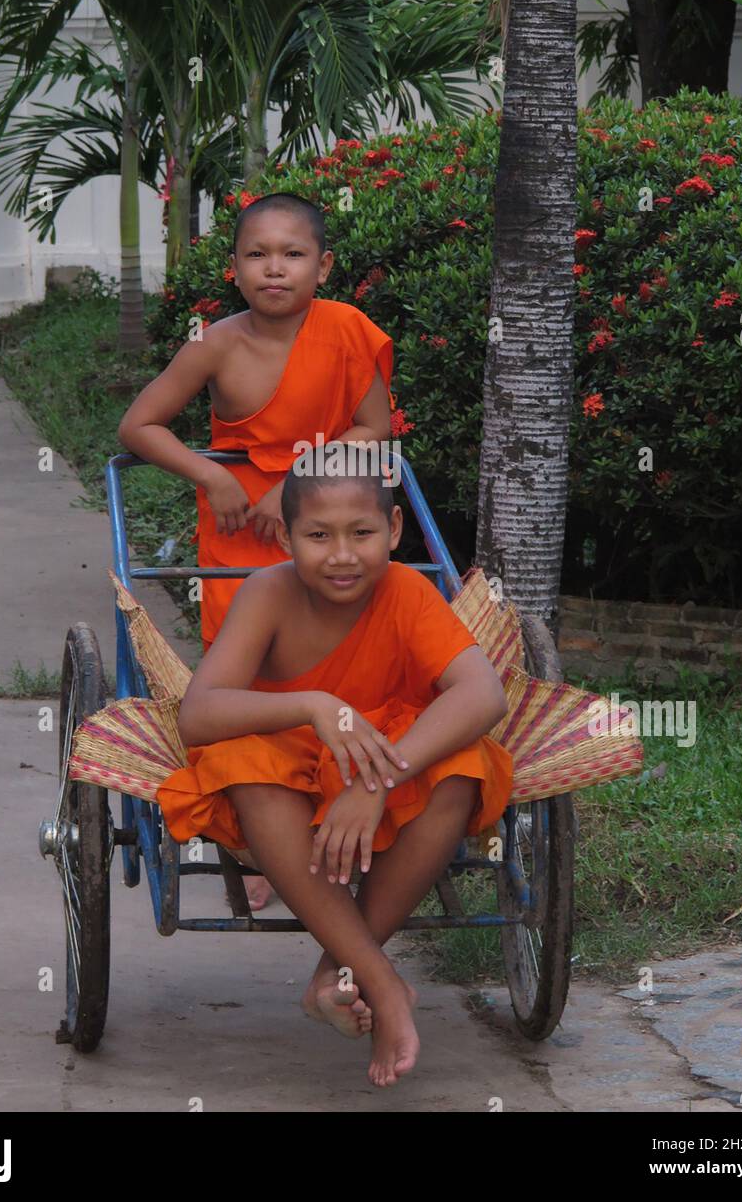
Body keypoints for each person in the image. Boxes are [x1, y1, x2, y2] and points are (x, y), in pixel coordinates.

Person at [155, 449, 513, 1087]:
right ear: (287, 538)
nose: (342, 555)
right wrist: (316, 704)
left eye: (362, 533)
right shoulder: (267, 593)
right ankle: (379, 980)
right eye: (318, 536)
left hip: (383, 760)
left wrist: (378, 781)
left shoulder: (408, 591)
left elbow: (482, 695)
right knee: (242, 763)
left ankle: (335, 973)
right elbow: (199, 714)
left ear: (395, 531)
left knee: (462, 764)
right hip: (286, 772)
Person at [118, 192, 393, 910]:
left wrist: (303, 473)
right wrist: (212, 473)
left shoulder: (350, 332)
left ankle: (347, 809)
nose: (276, 270)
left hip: (330, 516)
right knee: (249, 684)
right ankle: (263, 838)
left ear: (323, 266)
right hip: (244, 532)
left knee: (348, 662)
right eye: (258, 255)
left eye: (293, 255)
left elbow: (376, 429)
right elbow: (140, 425)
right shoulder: (216, 344)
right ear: (235, 268)